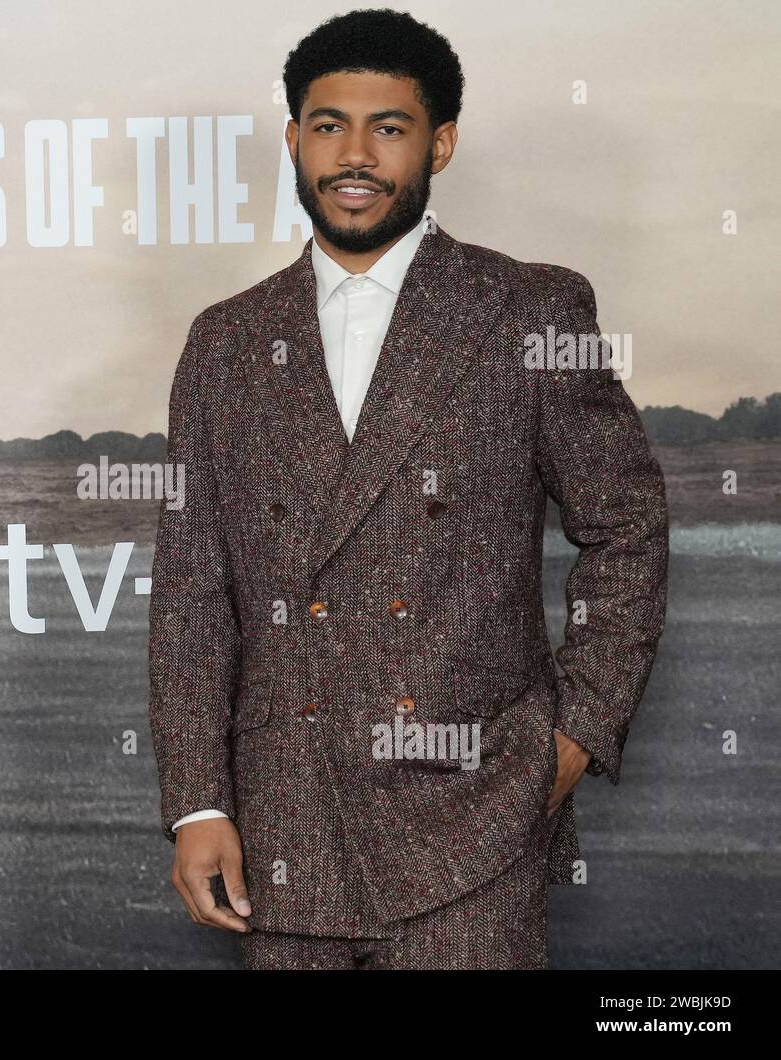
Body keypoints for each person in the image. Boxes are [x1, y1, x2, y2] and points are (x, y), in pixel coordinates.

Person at [147, 7, 669, 970]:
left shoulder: (526, 308)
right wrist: (198, 799)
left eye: (388, 127)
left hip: (473, 817)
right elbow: (190, 590)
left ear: (442, 143)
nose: (355, 155)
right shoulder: (223, 342)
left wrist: (575, 736)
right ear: (295, 138)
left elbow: (626, 525)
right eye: (328, 124)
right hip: (283, 822)